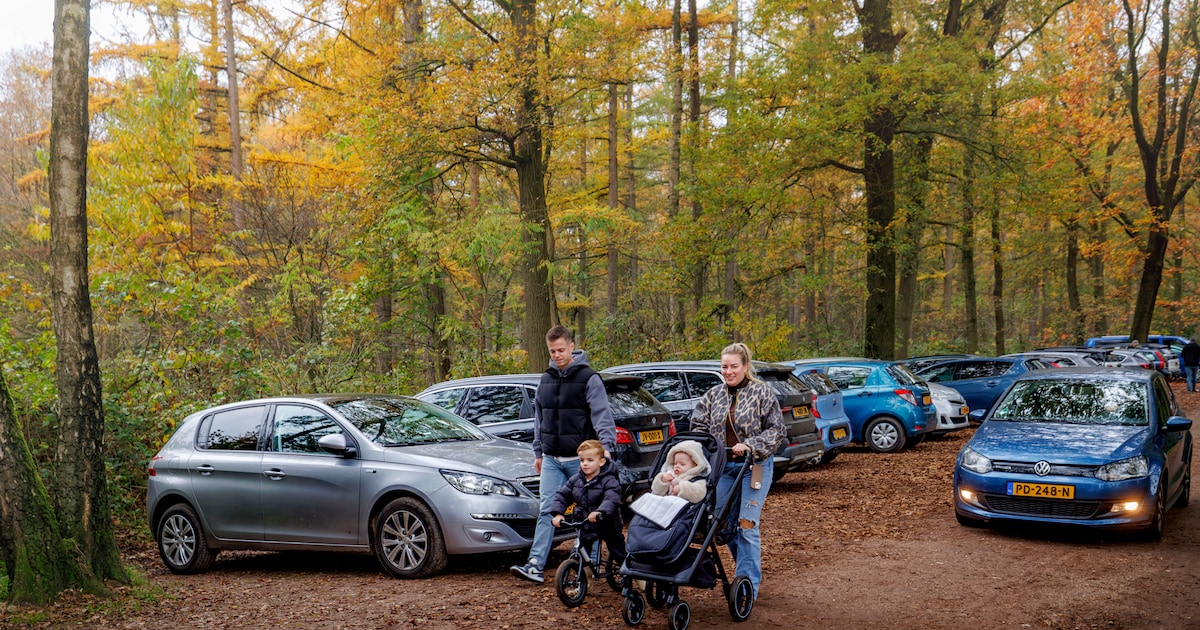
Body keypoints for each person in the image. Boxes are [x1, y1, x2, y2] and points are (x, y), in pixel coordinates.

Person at [511, 325, 617, 584]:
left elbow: (602, 415)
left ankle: (584, 569)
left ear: (571, 346)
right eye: (552, 351)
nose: (557, 355)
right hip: (551, 459)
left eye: (561, 350)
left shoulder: (589, 378)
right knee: (547, 509)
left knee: (587, 513)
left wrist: (607, 449)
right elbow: (539, 417)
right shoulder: (545, 379)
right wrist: (539, 450)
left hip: (581, 460)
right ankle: (535, 564)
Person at [689, 342, 784, 600]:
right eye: (724, 367)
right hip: (724, 466)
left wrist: (750, 445)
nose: (729, 371)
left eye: (734, 366)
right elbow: (697, 425)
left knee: (746, 525)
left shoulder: (762, 393)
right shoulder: (713, 395)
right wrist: (708, 447)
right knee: (720, 524)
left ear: (745, 366)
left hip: (755, 467)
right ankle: (744, 571)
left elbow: (777, 430)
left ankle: (747, 587)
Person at [549, 440, 628, 567]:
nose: (585, 464)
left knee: (619, 552)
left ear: (601, 462)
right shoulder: (576, 480)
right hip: (586, 524)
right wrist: (558, 513)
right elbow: (562, 495)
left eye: (590, 460)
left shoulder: (610, 480)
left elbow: (611, 498)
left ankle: (634, 577)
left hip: (608, 524)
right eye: (582, 460)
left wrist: (600, 511)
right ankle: (584, 582)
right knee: (581, 554)